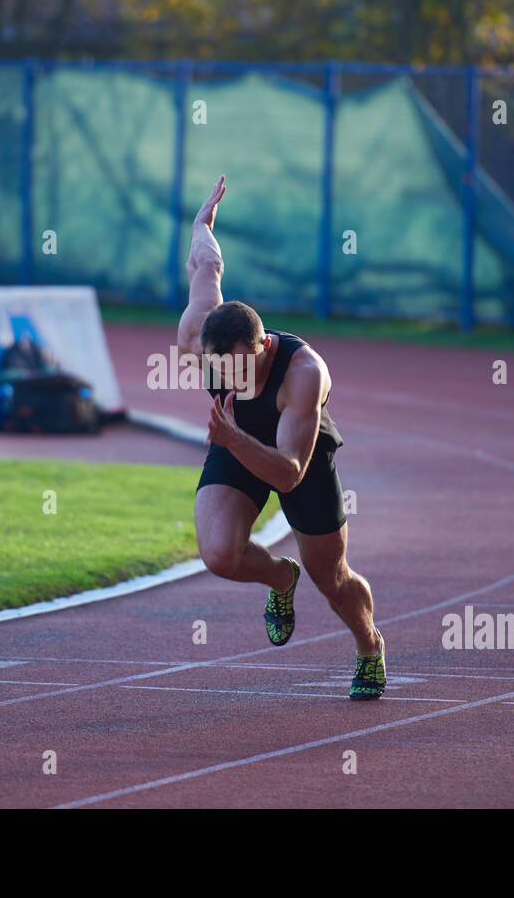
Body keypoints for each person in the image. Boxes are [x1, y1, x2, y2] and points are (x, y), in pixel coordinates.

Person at [174, 175, 386, 700]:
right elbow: (206, 264)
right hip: (236, 439)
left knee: (332, 578)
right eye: (222, 374)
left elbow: (290, 471)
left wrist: (231, 436)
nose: (234, 383)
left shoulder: (303, 374)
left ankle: (369, 646)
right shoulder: (197, 333)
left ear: (264, 345)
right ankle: (279, 580)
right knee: (220, 554)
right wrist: (202, 223)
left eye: (242, 372)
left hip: (300, 456)